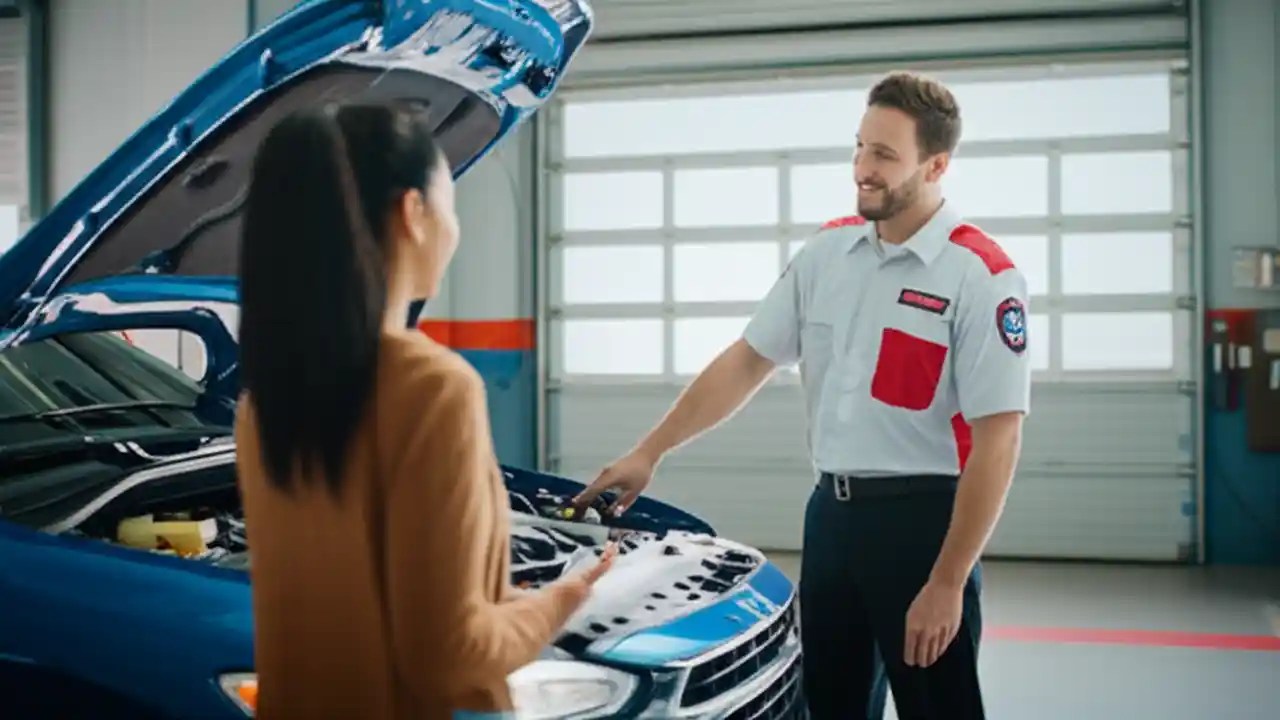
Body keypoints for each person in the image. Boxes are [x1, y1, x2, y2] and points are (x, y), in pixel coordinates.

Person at [572, 71, 1031, 719]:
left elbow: (999, 440)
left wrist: (949, 580)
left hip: (925, 525)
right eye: (860, 147)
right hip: (832, 520)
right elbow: (747, 360)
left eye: (885, 155)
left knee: (941, 707)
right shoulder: (828, 253)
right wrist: (652, 450)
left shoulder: (979, 276)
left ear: (936, 166)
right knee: (829, 705)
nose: (862, 169)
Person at [234, 102, 615, 719]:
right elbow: (449, 656)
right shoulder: (433, 388)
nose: (454, 231)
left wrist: (499, 601)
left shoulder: (263, 402)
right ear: (413, 213)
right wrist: (561, 600)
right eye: (449, 204)